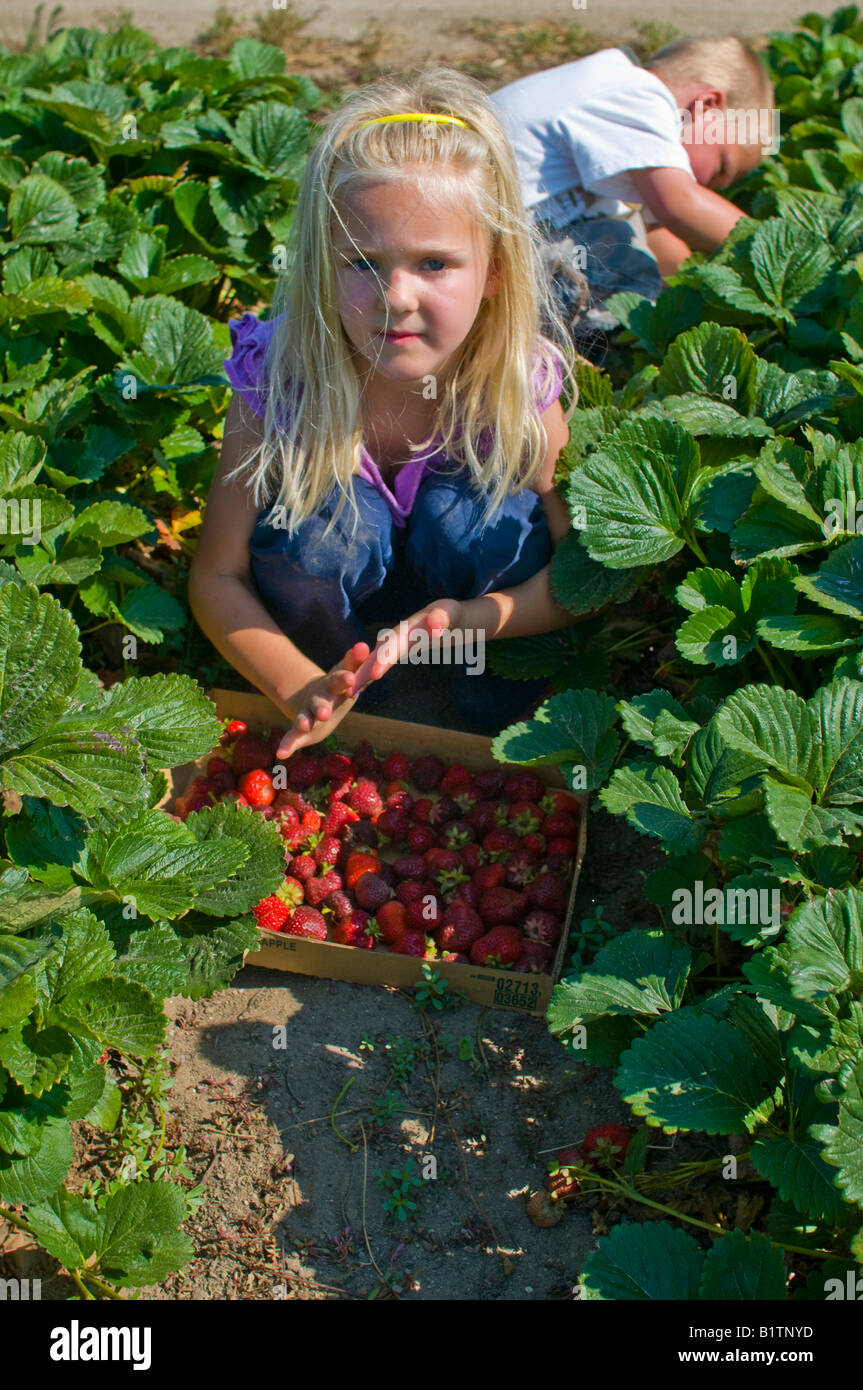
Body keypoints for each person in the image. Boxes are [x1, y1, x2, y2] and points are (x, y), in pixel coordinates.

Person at [188, 67, 580, 758]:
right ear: (319, 265)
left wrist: (468, 620)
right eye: (361, 262)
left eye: (433, 263)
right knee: (328, 532)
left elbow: (581, 576)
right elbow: (215, 575)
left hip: (475, 626)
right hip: (331, 649)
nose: (395, 296)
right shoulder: (278, 379)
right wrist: (297, 687)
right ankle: (347, 684)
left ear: (494, 270)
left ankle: (485, 696)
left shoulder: (518, 388)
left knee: (480, 527)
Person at [490, 37, 775, 351]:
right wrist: (773, 249)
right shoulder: (640, 94)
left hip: (478, 234)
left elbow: (659, 237)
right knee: (623, 261)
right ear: (706, 106)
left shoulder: (611, 107)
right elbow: (680, 206)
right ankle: (568, 356)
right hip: (489, 239)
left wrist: (703, 294)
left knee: (628, 236)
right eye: (721, 168)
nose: (707, 188)